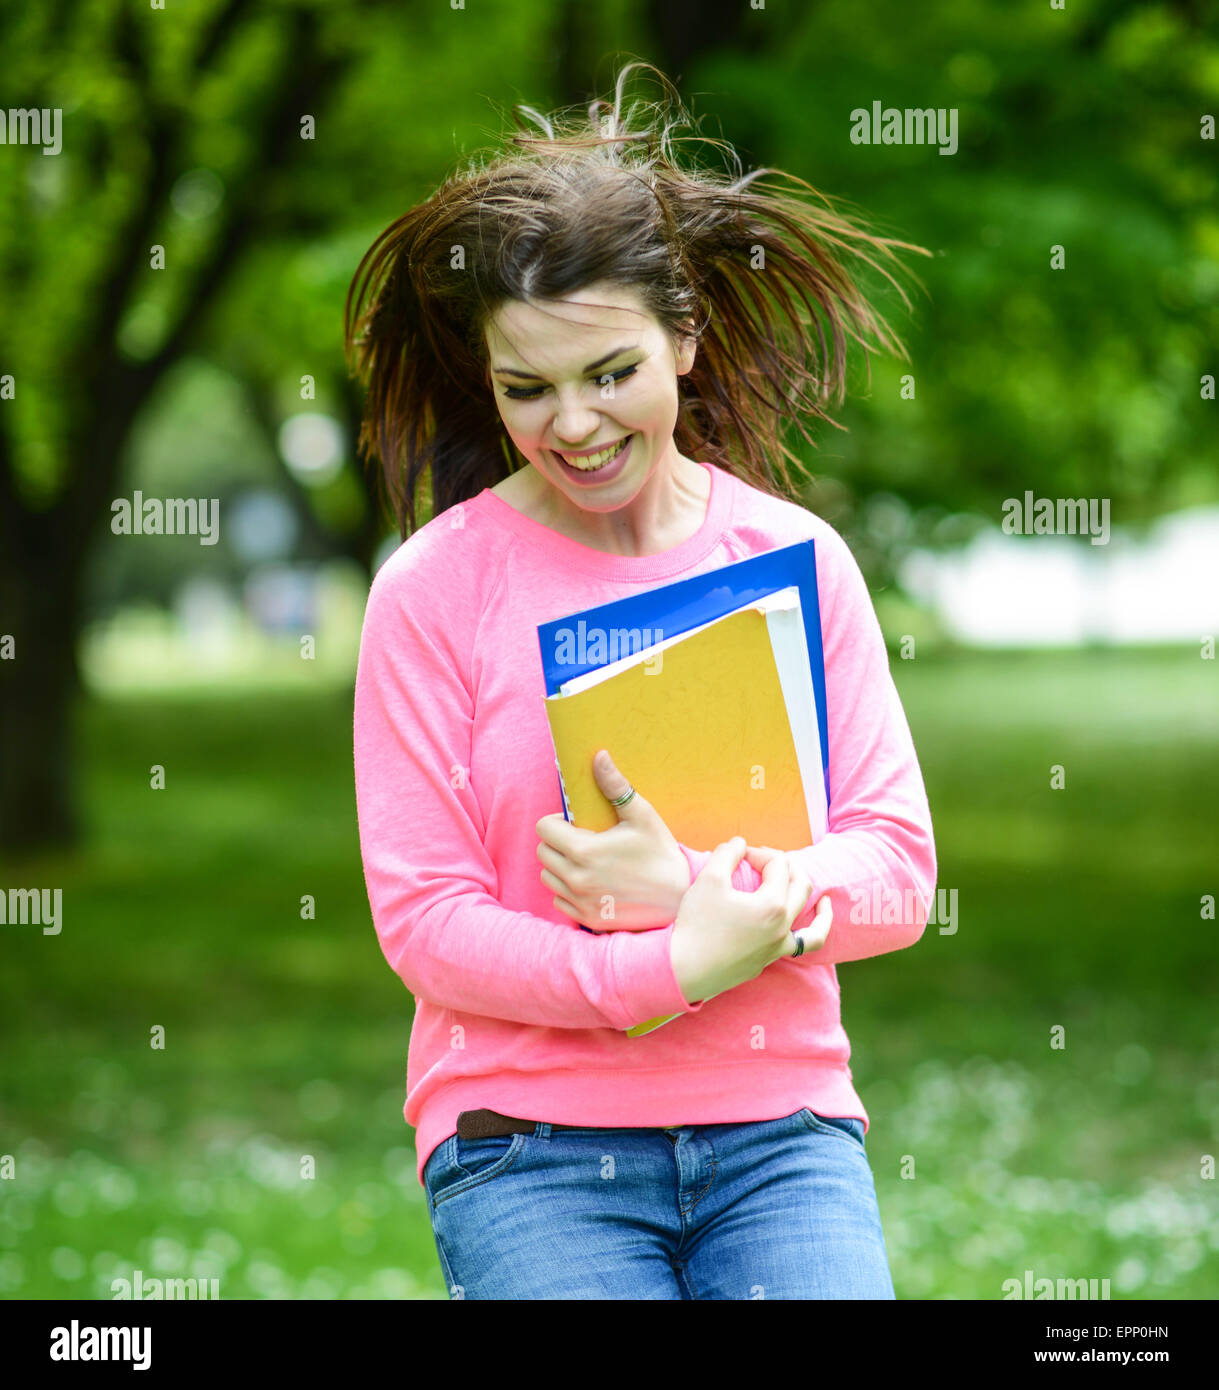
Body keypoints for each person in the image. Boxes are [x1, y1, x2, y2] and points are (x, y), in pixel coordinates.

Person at [345, 61, 937, 1300]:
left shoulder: (791, 559)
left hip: (779, 1132)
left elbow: (894, 871)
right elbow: (427, 924)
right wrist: (664, 966)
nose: (571, 424)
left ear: (683, 337)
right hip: (529, 1149)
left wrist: (699, 889)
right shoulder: (432, 589)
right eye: (527, 388)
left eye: (609, 371)